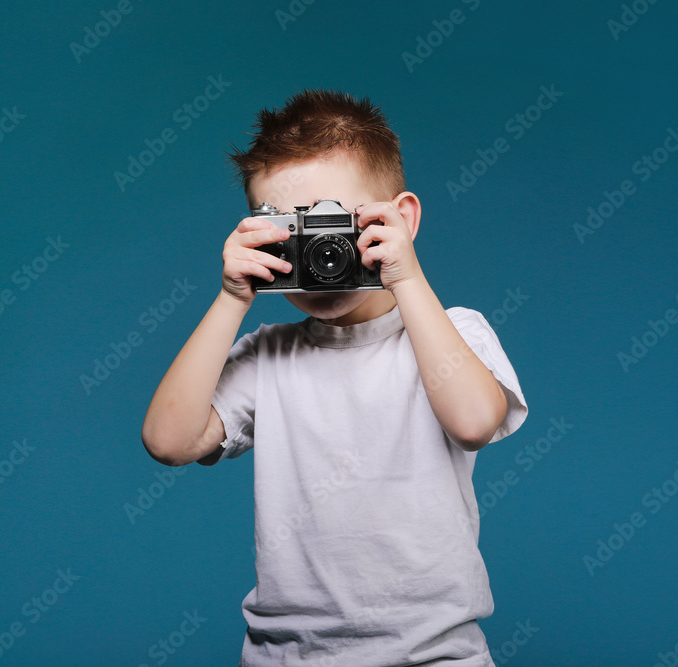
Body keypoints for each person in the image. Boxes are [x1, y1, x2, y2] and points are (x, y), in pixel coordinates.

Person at [141, 88, 528, 666]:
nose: (319, 253)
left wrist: (407, 278)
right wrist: (230, 299)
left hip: (436, 654)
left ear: (402, 219)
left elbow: (474, 422)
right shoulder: (267, 354)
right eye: (289, 230)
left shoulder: (454, 332)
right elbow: (168, 443)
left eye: (332, 225)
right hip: (285, 656)